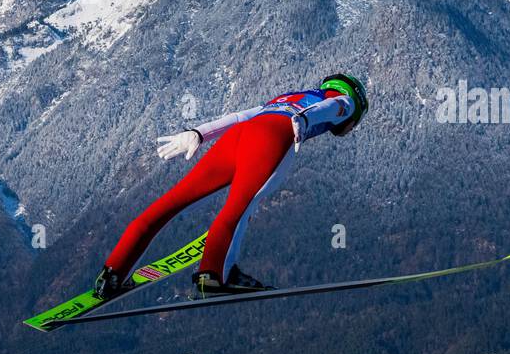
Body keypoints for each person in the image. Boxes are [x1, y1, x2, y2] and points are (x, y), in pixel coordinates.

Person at [93, 73, 368, 299]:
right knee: (238, 209)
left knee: (172, 202)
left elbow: (239, 117)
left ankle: (113, 272)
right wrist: (306, 120)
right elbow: (336, 107)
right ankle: (213, 275)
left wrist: (198, 132)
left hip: (239, 135)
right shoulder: (345, 102)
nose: (352, 127)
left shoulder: (290, 96)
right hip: (273, 136)